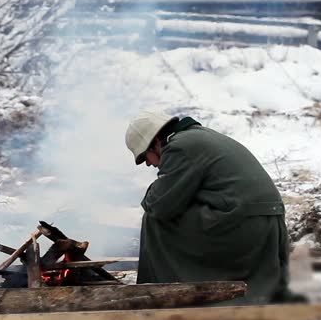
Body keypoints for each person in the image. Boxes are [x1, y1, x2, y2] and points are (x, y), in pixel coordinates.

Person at [124, 109, 297, 304]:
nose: (148, 164)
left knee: (154, 219)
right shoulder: (200, 137)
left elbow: (160, 204)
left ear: (155, 142)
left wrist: (152, 196)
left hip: (246, 225)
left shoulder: (180, 147)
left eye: (144, 157)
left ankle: (160, 295)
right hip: (268, 223)